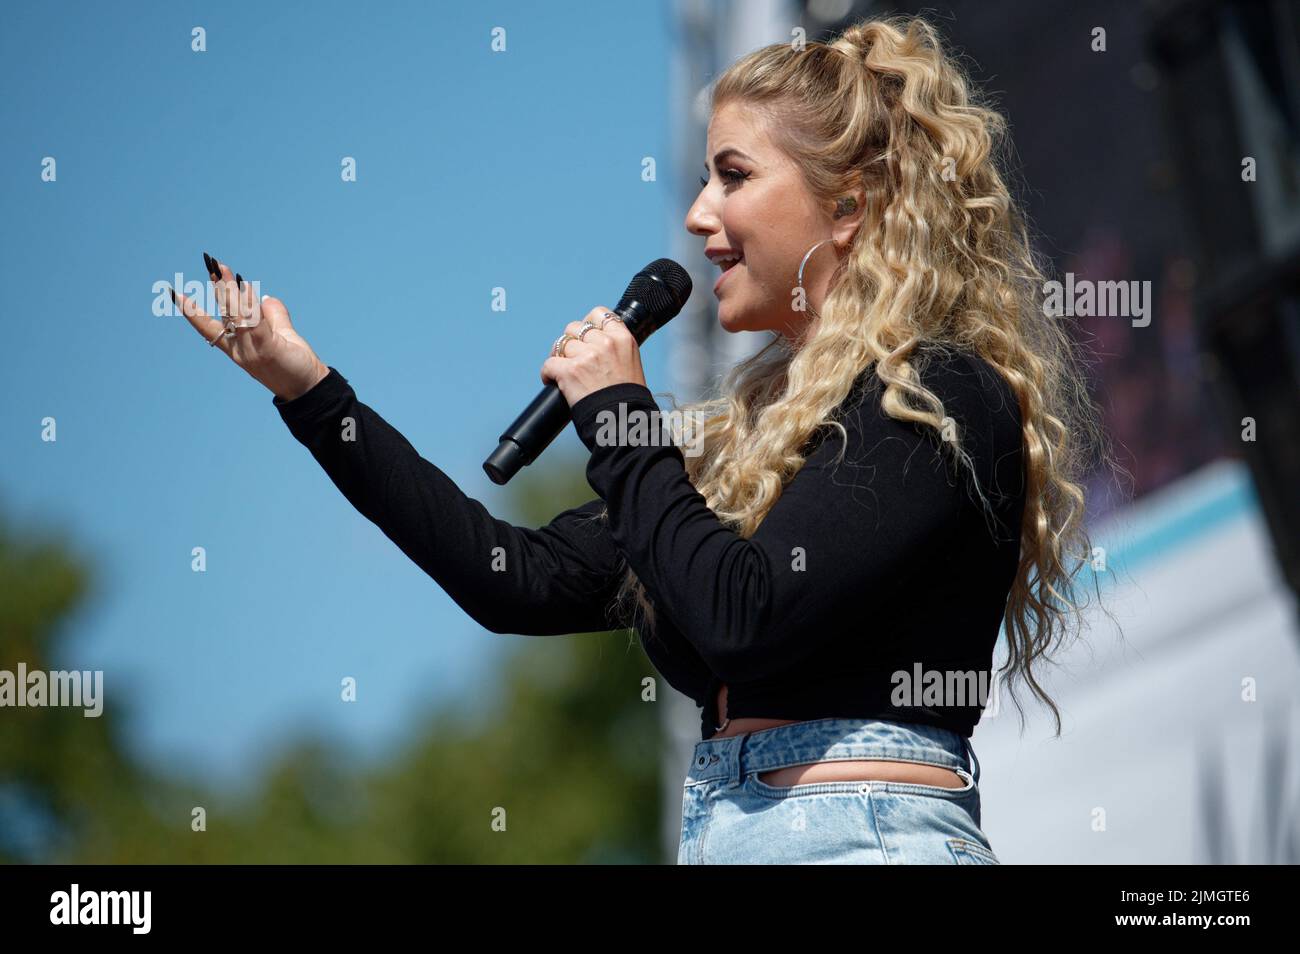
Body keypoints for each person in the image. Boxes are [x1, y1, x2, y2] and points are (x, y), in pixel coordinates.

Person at [170, 14, 1102, 864]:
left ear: (850, 206)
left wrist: (620, 418)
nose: (698, 215)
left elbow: (746, 618)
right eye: (704, 177)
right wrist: (310, 392)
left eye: (732, 176)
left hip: (868, 837)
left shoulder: (938, 394)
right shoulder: (747, 443)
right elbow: (509, 577)